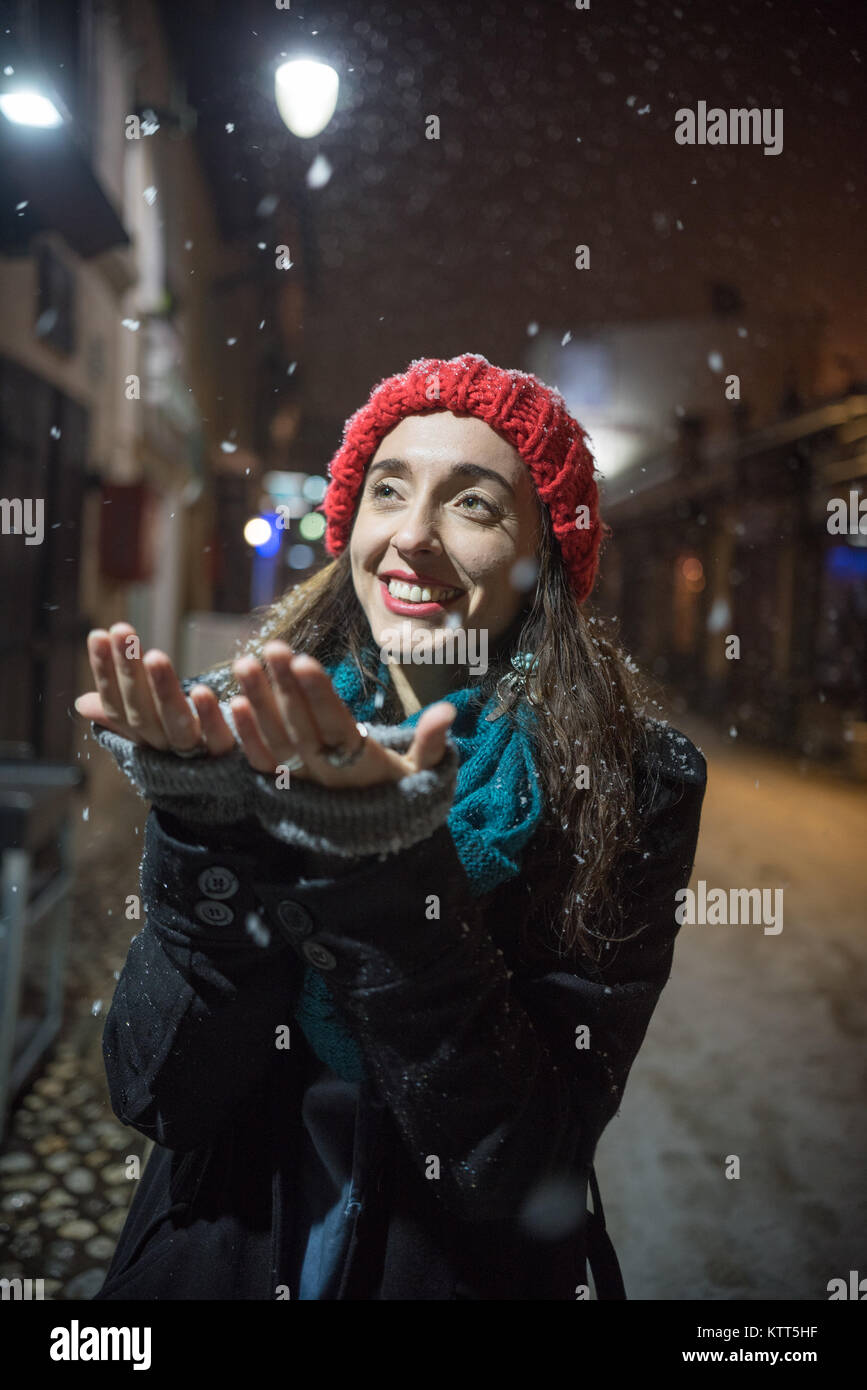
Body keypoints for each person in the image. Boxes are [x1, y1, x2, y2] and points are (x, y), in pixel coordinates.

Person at [74, 351, 706, 1300]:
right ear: (349, 524)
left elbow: (523, 1167)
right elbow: (160, 1093)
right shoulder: (250, 728)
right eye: (387, 490)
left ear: (548, 555)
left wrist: (387, 865)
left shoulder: (626, 781)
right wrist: (208, 826)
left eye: (475, 504)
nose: (413, 536)